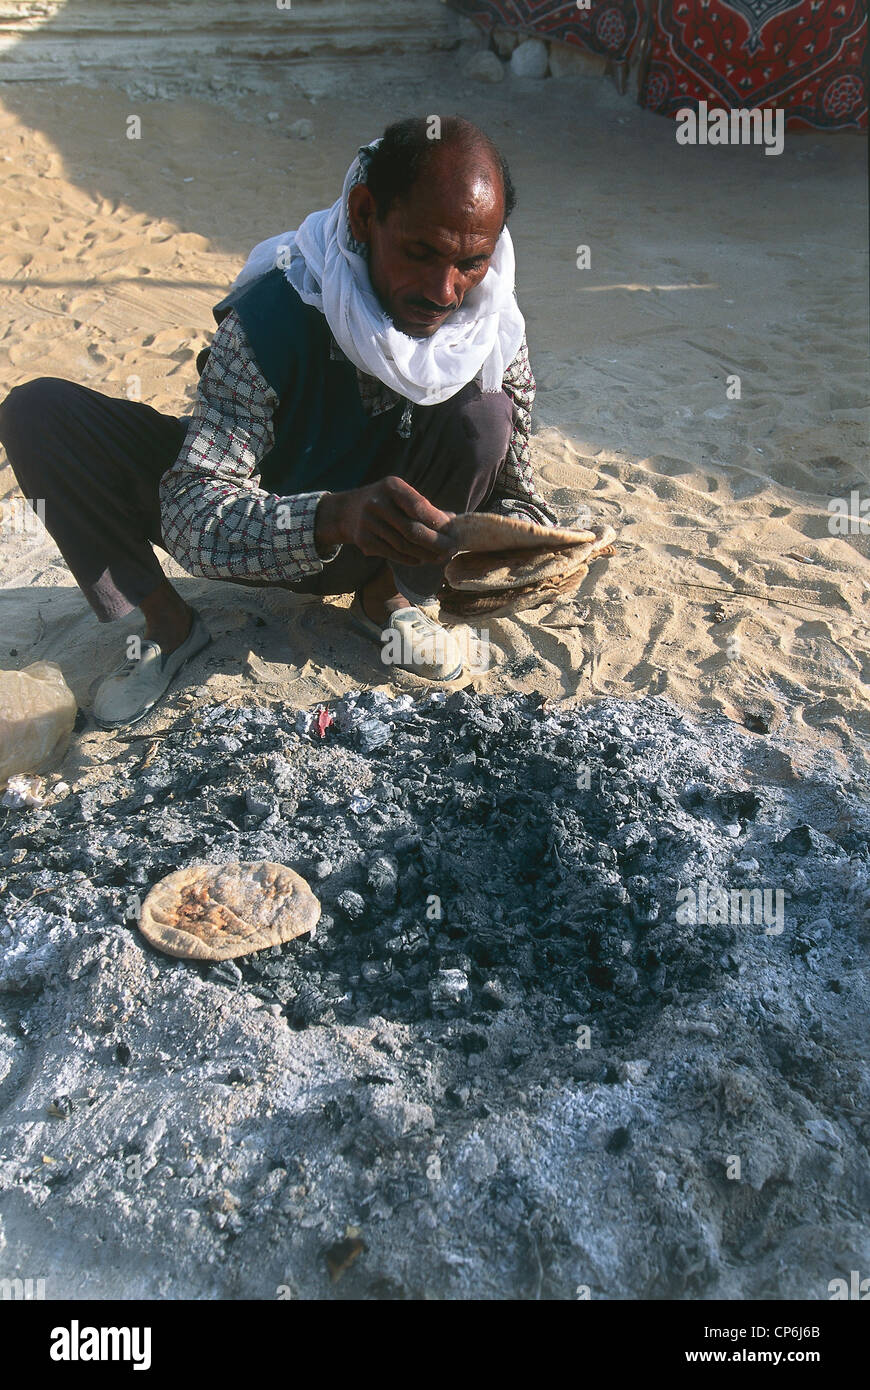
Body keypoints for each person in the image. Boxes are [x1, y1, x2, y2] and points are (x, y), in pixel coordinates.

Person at [0, 114, 557, 729]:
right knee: (36, 412)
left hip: (384, 551)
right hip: (262, 526)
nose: (444, 290)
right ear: (364, 214)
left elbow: (517, 495)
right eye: (420, 253)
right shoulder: (275, 312)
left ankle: (389, 601)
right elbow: (191, 514)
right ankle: (165, 624)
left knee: (486, 415)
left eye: (471, 263)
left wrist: (507, 546)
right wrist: (333, 515)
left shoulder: (489, 329)